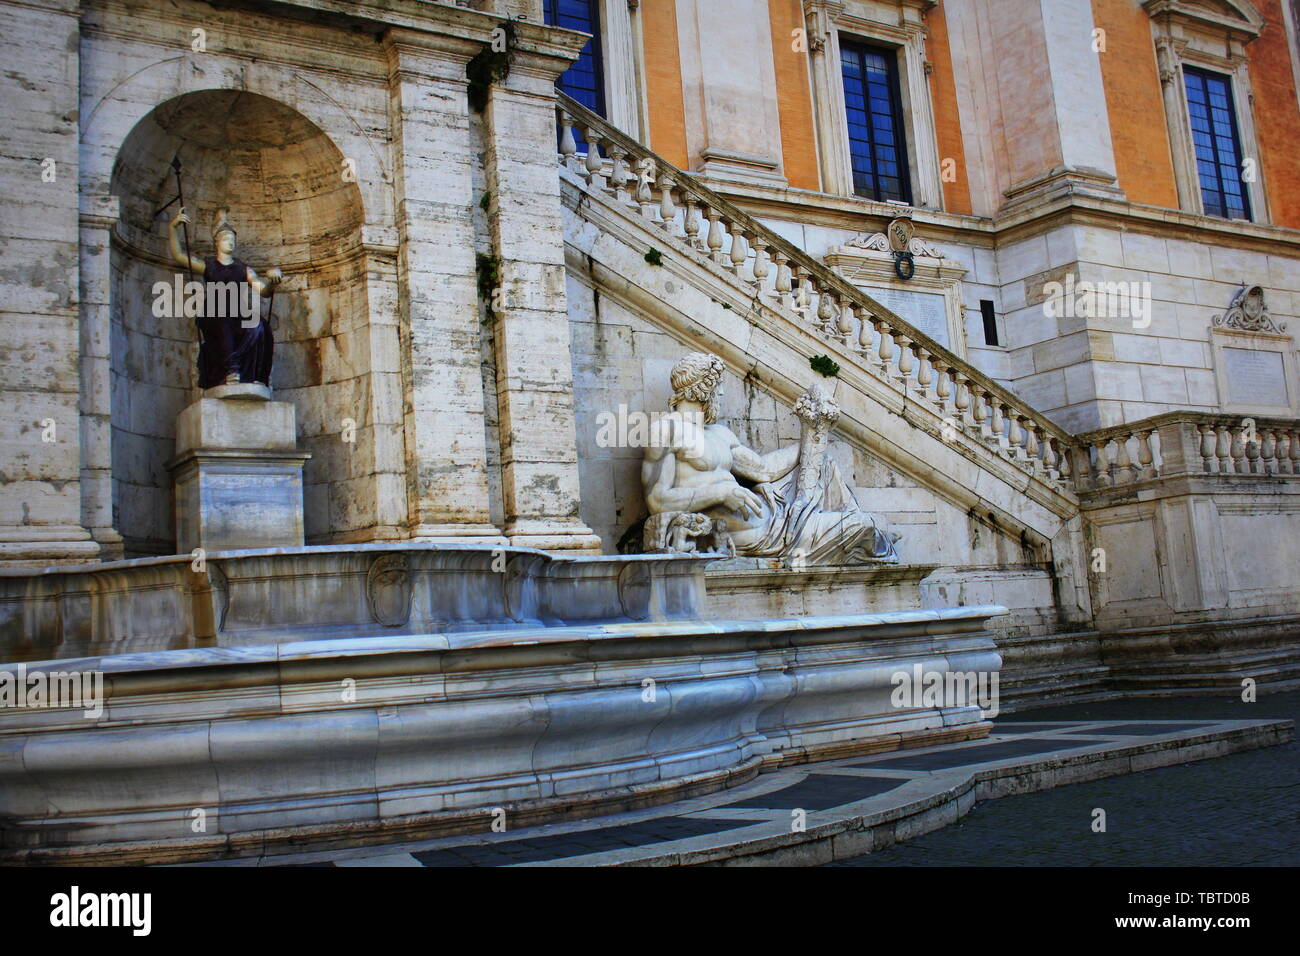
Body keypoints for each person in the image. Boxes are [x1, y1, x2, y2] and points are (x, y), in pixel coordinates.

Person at [168, 206, 281, 388]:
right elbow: (180, 256)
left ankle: (254, 375)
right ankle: (231, 370)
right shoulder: (209, 265)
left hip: (238, 314)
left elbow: (263, 290)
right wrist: (172, 228)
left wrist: (273, 282)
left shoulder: (243, 269)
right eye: (226, 238)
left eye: (233, 239)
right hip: (213, 313)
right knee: (222, 319)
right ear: (217, 242)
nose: (230, 242)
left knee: (259, 327)